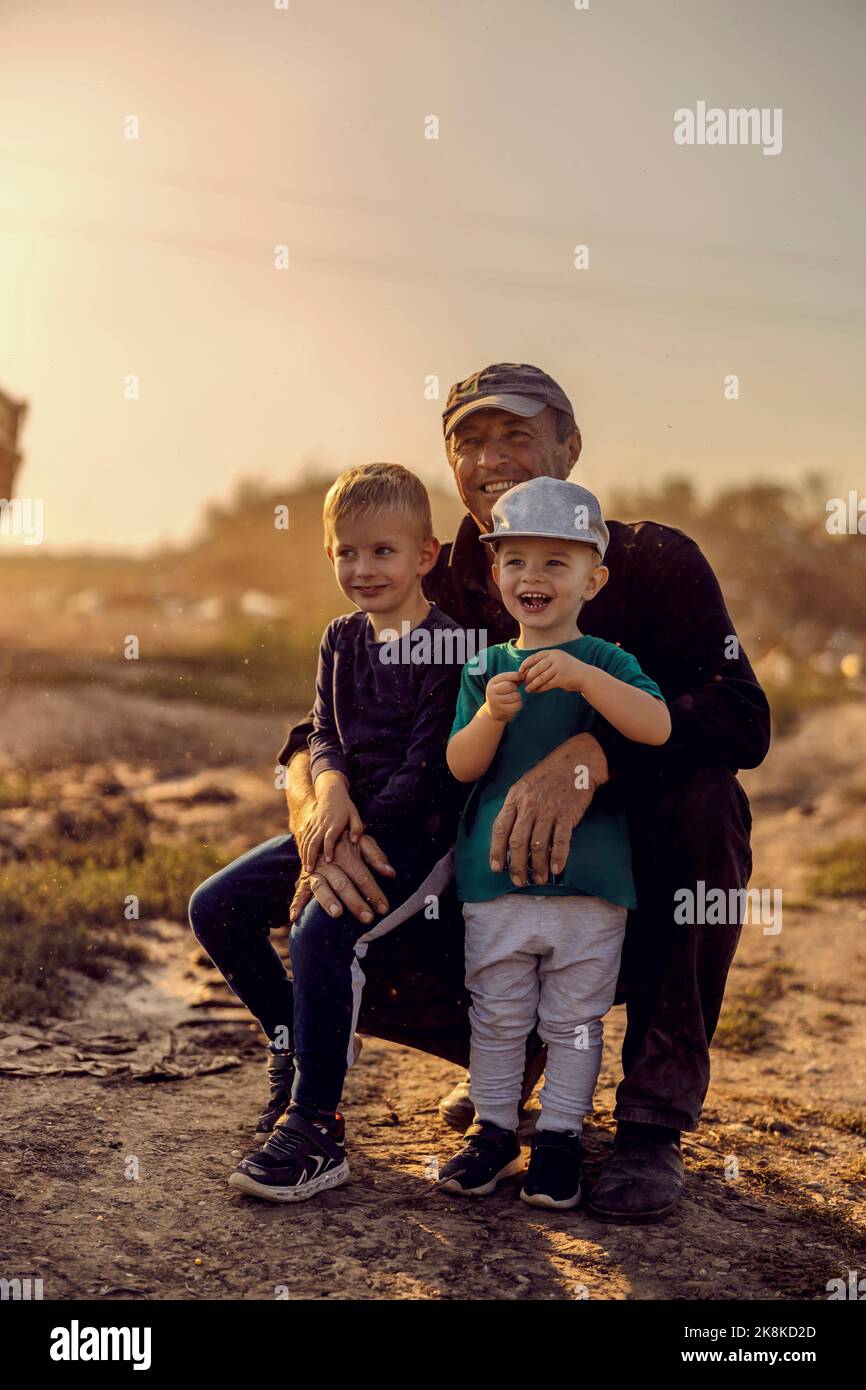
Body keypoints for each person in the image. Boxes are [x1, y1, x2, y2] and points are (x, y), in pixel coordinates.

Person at [280, 364, 769, 1222]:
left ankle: (650, 1124)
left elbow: (741, 718)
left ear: (569, 447)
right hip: (485, 865)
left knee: (710, 808)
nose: (490, 456)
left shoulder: (652, 561)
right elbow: (328, 720)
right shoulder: (445, 575)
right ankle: (500, 1062)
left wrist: (591, 754)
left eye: (516, 435)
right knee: (327, 882)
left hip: (631, 864)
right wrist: (314, 804)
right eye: (469, 440)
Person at [189, 463, 466, 1201]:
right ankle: (291, 1042)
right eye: (346, 552)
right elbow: (324, 736)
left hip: (417, 837)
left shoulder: (450, 647)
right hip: (338, 821)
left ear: (424, 556)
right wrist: (331, 793)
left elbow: (430, 766)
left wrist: (355, 828)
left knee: (320, 929)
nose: (362, 568)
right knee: (214, 905)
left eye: (382, 551)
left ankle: (319, 1126)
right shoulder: (341, 640)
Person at [436, 476, 670, 1210]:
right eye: (515, 562)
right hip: (496, 880)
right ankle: (497, 1130)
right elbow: (461, 766)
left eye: (555, 563)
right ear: (494, 571)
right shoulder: (483, 668)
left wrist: (583, 679)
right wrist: (491, 718)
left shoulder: (607, 660)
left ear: (592, 580)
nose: (532, 578)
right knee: (499, 1012)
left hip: (590, 885)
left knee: (573, 1020)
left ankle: (562, 1136)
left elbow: (657, 728)